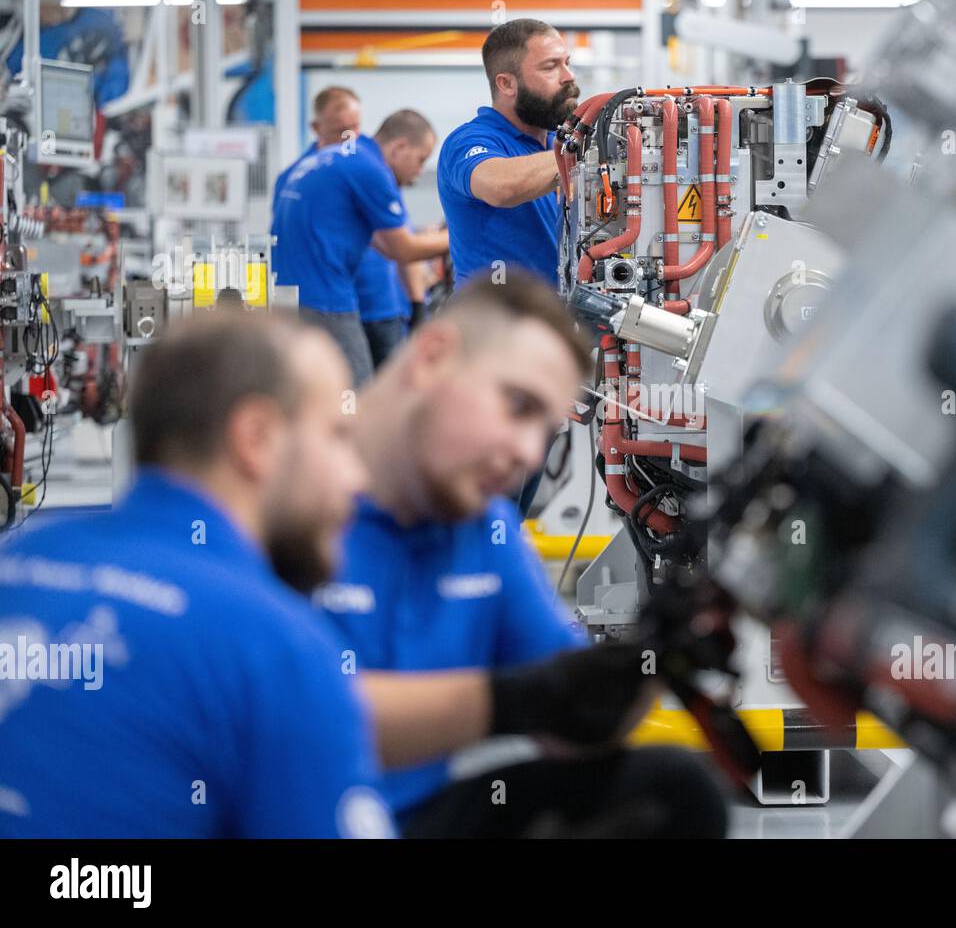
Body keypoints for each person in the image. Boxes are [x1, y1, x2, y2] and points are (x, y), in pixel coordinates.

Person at [317, 272, 729, 838]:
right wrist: (507, 702)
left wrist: (652, 653)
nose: (528, 452)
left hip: (409, 821)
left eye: (546, 428)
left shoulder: (484, 529)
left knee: (672, 794)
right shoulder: (286, 494)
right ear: (433, 357)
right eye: (517, 406)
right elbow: (294, 719)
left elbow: (570, 725)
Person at [0, 312, 394, 837]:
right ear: (258, 439)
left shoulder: (21, 559)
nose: (358, 475)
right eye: (338, 436)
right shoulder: (277, 651)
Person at [273, 108, 448, 385]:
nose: (417, 173)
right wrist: (456, 237)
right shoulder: (371, 169)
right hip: (327, 301)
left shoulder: (333, 157)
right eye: (420, 160)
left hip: (290, 298)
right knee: (356, 393)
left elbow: (381, 242)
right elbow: (400, 249)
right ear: (399, 147)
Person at [436, 18, 579, 292]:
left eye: (567, 63)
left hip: (550, 317)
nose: (568, 76)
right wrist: (583, 149)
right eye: (551, 66)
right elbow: (501, 187)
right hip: (490, 320)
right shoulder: (468, 141)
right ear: (507, 84)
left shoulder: (553, 142)